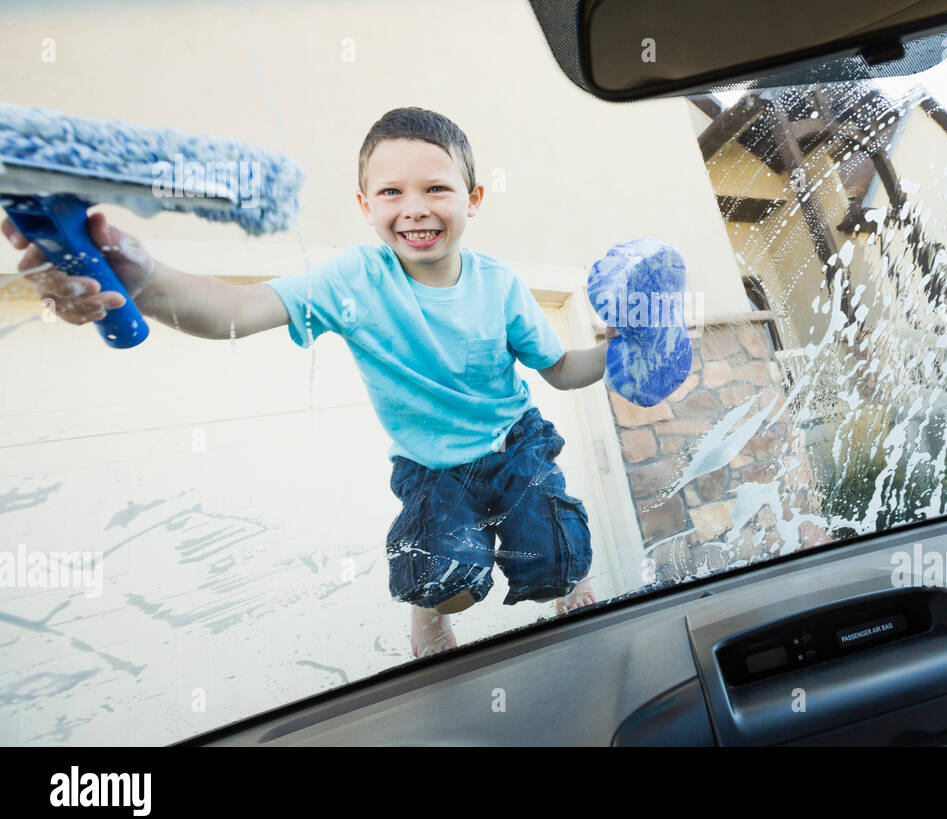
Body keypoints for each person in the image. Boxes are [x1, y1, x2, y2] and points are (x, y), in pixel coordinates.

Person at [2, 106, 609, 659]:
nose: (415, 207)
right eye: (391, 191)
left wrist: (610, 353)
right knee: (441, 581)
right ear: (365, 205)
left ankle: (566, 572)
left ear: (472, 198)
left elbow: (562, 370)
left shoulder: (499, 285)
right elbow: (233, 312)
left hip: (514, 443)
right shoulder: (354, 280)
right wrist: (138, 276)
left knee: (557, 559)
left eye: (436, 189)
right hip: (433, 466)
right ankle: (429, 617)